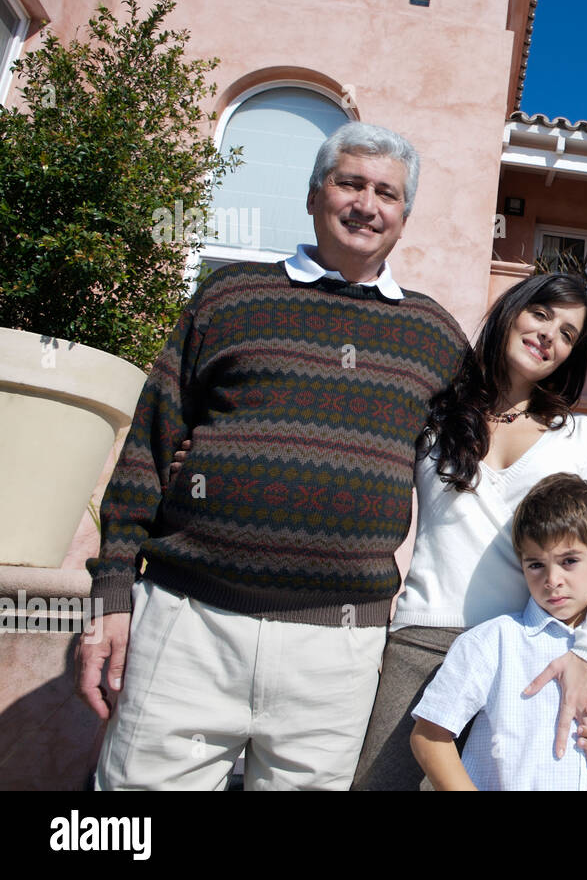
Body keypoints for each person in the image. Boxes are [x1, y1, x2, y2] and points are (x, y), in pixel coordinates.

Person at [78, 122, 468, 789]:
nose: (367, 204)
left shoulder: (436, 336)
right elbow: (150, 441)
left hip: (337, 650)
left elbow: (484, 454)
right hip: (188, 621)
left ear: (405, 216)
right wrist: (111, 592)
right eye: (350, 183)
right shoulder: (229, 295)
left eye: (387, 193)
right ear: (314, 194)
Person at [351, 272, 587, 790]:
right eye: (541, 314)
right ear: (511, 311)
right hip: (423, 641)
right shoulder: (435, 417)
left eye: (569, 334)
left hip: (523, 653)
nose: (551, 335)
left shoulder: (582, 436)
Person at [409, 473, 587, 790]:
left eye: (569, 560)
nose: (552, 579)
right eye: (536, 564)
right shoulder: (491, 643)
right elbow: (428, 736)